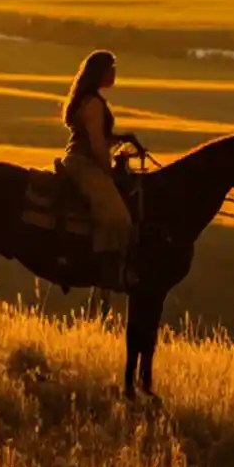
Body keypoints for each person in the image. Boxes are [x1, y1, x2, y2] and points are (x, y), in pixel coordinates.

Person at [61, 50, 139, 291]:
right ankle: (105, 271)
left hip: (82, 160)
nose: (114, 74)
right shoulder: (93, 103)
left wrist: (122, 138)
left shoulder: (90, 99)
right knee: (118, 217)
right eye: (111, 69)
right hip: (84, 164)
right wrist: (108, 171)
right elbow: (96, 143)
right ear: (100, 73)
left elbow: (99, 137)